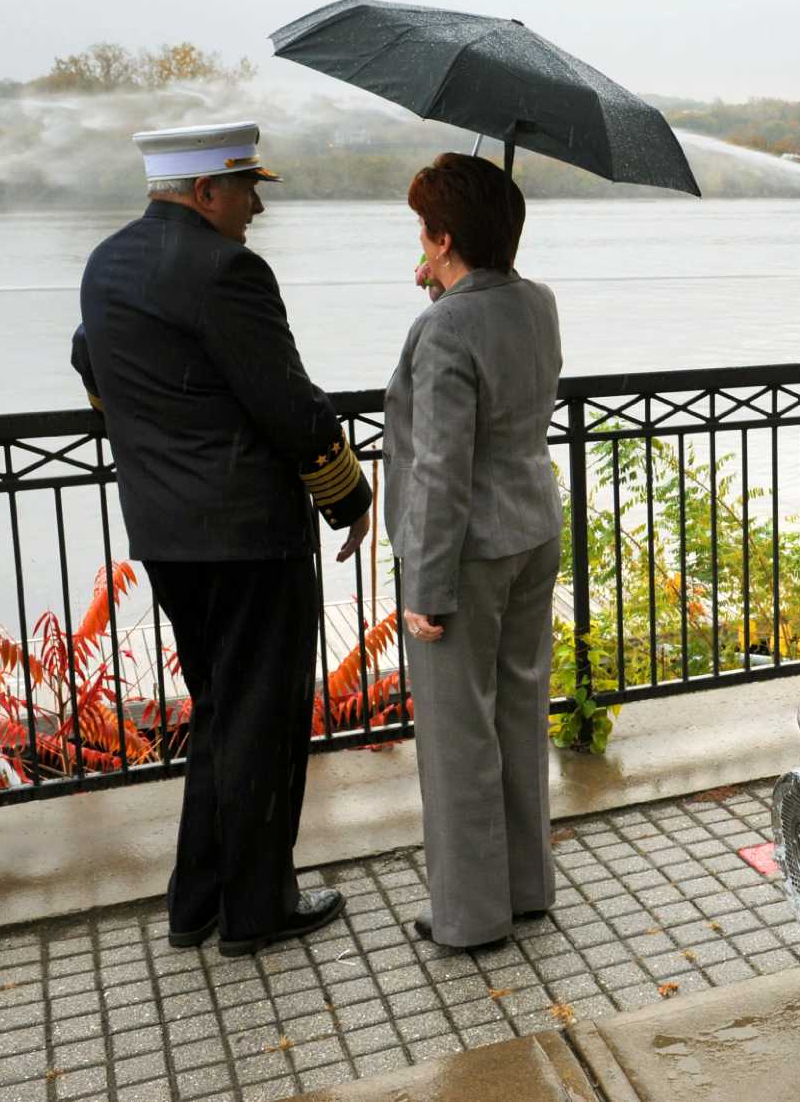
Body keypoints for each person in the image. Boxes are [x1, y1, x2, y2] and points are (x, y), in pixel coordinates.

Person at [71, 121, 371, 957]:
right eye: (247, 190)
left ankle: (195, 902)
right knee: (263, 717)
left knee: (218, 710)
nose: (257, 209)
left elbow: (90, 363)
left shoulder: (105, 263)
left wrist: (149, 437)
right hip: (249, 539)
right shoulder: (228, 269)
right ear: (205, 193)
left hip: (164, 535)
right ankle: (259, 909)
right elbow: (286, 400)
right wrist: (348, 495)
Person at [383, 152, 563, 949]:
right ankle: (525, 888)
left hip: (466, 551)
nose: (420, 244)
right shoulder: (538, 302)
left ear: (445, 237)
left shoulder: (444, 327)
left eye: (424, 231)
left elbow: (439, 465)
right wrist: (449, 292)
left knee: (458, 733)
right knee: (519, 711)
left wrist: (424, 586)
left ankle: (469, 915)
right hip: (533, 526)